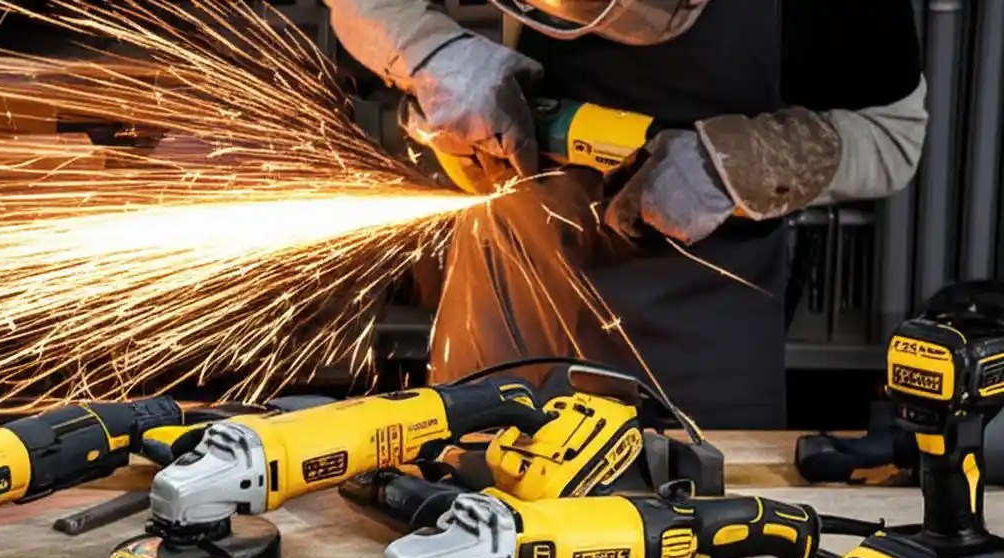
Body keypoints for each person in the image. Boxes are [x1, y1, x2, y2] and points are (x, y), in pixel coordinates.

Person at [325, 0, 928, 429]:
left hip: (694, 333)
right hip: (506, 293)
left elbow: (895, 137)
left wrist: (738, 164)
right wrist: (432, 54)